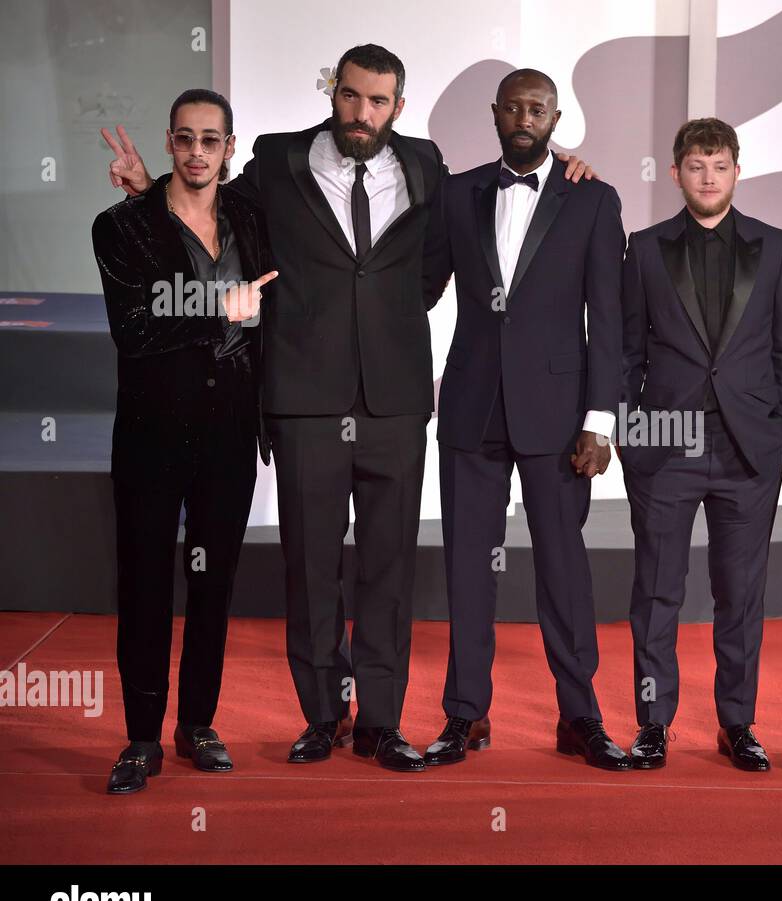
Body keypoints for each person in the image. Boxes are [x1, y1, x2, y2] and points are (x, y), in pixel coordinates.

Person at [103, 47, 596, 773]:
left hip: (396, 398)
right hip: (303, 395)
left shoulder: (429, 165)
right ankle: (323, 714)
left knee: (388, 568)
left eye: (378, 101)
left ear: (398, 104)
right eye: (352, 96)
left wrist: (566, 164)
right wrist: (150, 189)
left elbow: (438, 264)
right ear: (335, 92)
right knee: (311, 567)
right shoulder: (275, 159)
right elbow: (207, 212)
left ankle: (382, 721)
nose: (361, 113)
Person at [421, 69, 630, 771]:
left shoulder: (593, 199)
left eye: (537, 107)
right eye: (513, 106)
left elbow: (610, 317)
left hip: (560, 416)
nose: (524, 116)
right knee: (467, 570)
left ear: (555, 114)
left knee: (563, 570)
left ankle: (580, 717)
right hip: (472, 411)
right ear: (494, 113)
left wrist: (601, 421)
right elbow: (419, 287)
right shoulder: (456, 193)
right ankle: (464, 715)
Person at [92, 89, 275, 794]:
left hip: (230, 432)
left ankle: (198, 722)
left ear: (230, 148)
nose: (198, 152)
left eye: (212, 140)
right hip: (151, 434)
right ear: (168, 142)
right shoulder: (122, 227)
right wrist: (213, 306)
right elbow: (132, 330)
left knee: (213, 583)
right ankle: (140, 738)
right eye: (186, 139)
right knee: (143, 585)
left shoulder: (251, 217)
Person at [618, 118, 782, 771]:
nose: (708, 177)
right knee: (658, 589)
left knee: (740, 591)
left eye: (719, 165)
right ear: (676, 173)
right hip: (664, 446)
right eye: (696, 166)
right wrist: (628, 429)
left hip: (749, 447)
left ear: (736, 170)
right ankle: (652, 723)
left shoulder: (776, 247)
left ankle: (737, 723)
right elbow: (625, 351)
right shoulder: (642, 249)